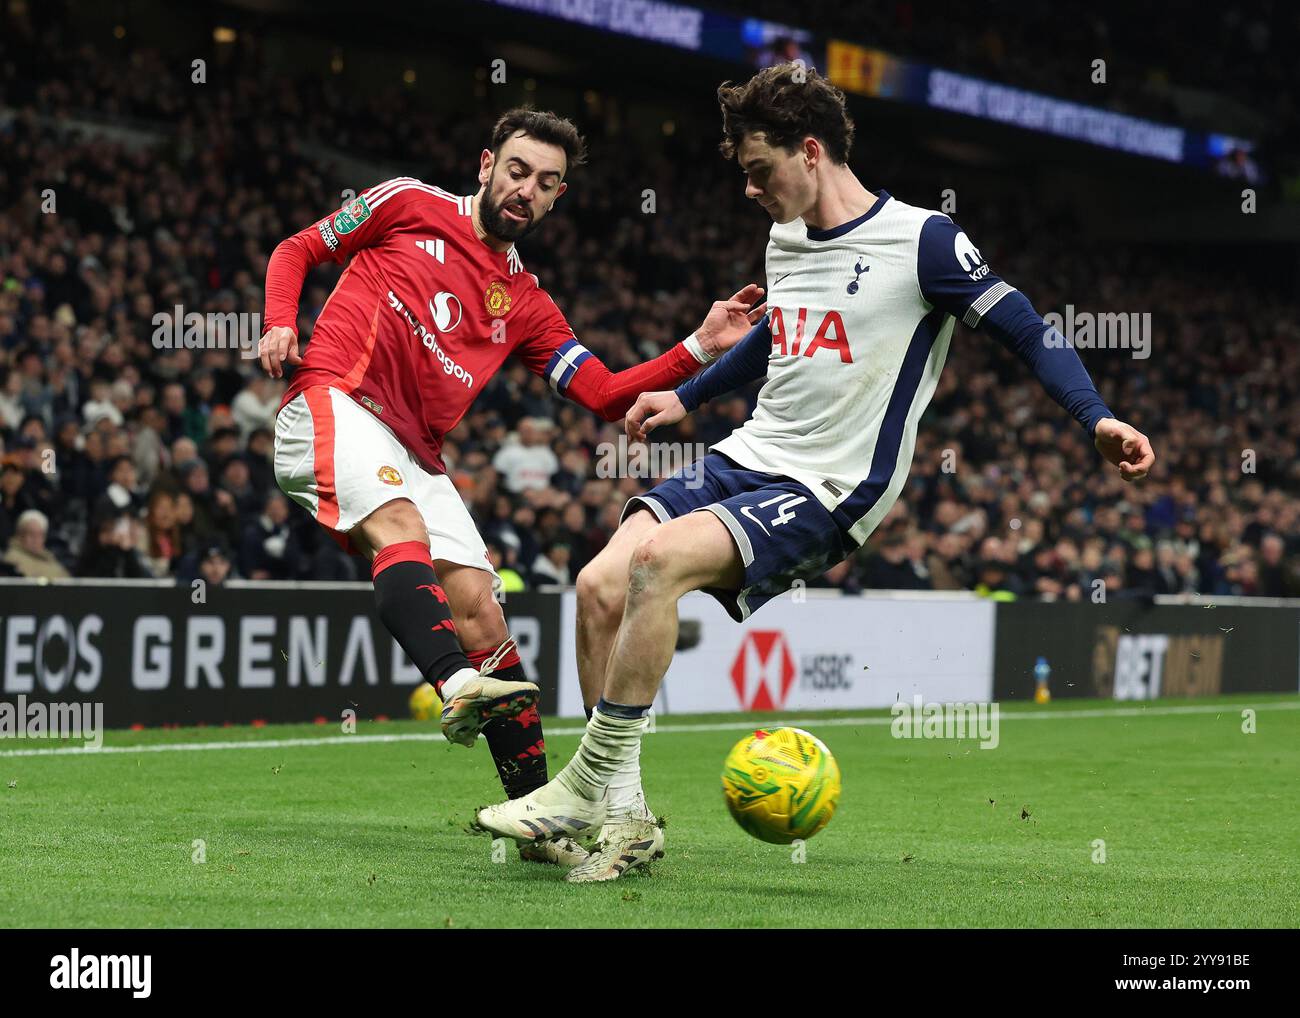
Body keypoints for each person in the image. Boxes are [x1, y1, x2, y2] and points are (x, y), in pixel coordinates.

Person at [475, 64, 1156, 882]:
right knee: (598, 586)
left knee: (658, 565)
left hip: (831, 486)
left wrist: (1098, 417)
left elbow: (1027, 330)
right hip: (750, 453)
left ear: (810, 151)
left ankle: (583, 787)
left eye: (760, 171)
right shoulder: (787, 237)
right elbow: (778, 338)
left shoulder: (924, 242)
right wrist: (685, 398)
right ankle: (623, 818)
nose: (752, 190)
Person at [258, 107, 762, 867]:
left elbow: (602, 391)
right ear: (487, 163)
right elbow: (297, 248)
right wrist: (278, 321)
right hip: (332, 398)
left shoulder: (523, 301)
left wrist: (699, 346)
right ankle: (455, 685)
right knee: (402, 528)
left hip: (416, 451)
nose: (528, 190)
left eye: (548, 184)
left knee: (483, 614)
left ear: (557, 200)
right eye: (519, 171)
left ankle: (537, 818)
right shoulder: (407, 203)